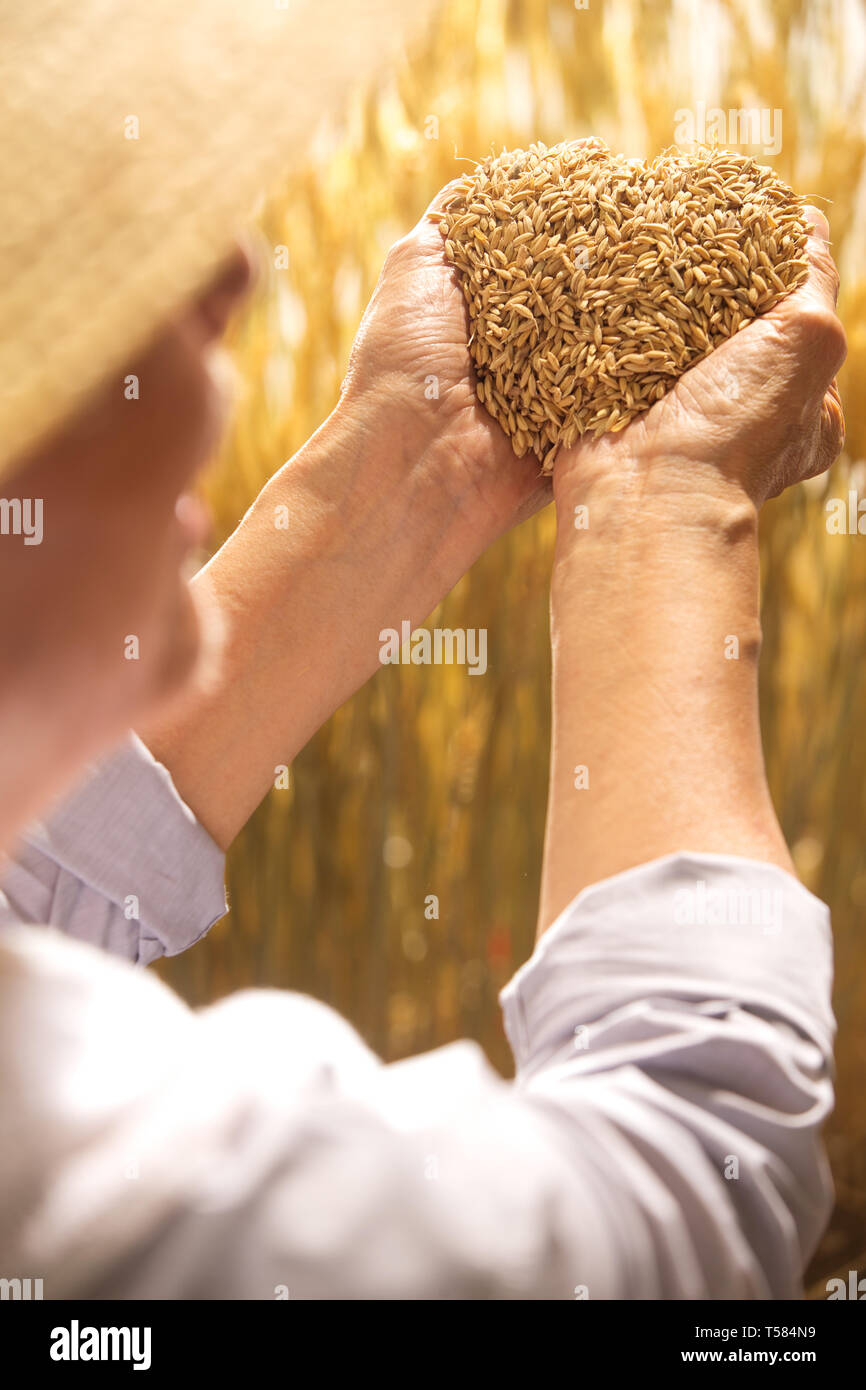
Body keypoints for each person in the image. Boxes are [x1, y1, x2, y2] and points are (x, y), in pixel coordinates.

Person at [0, 2, 847, 1298]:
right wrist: (666, 505)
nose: (228, 271)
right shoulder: (84, 1173)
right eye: (76, 253)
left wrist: (419, 458)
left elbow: (23, 888)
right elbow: (685, 1203)